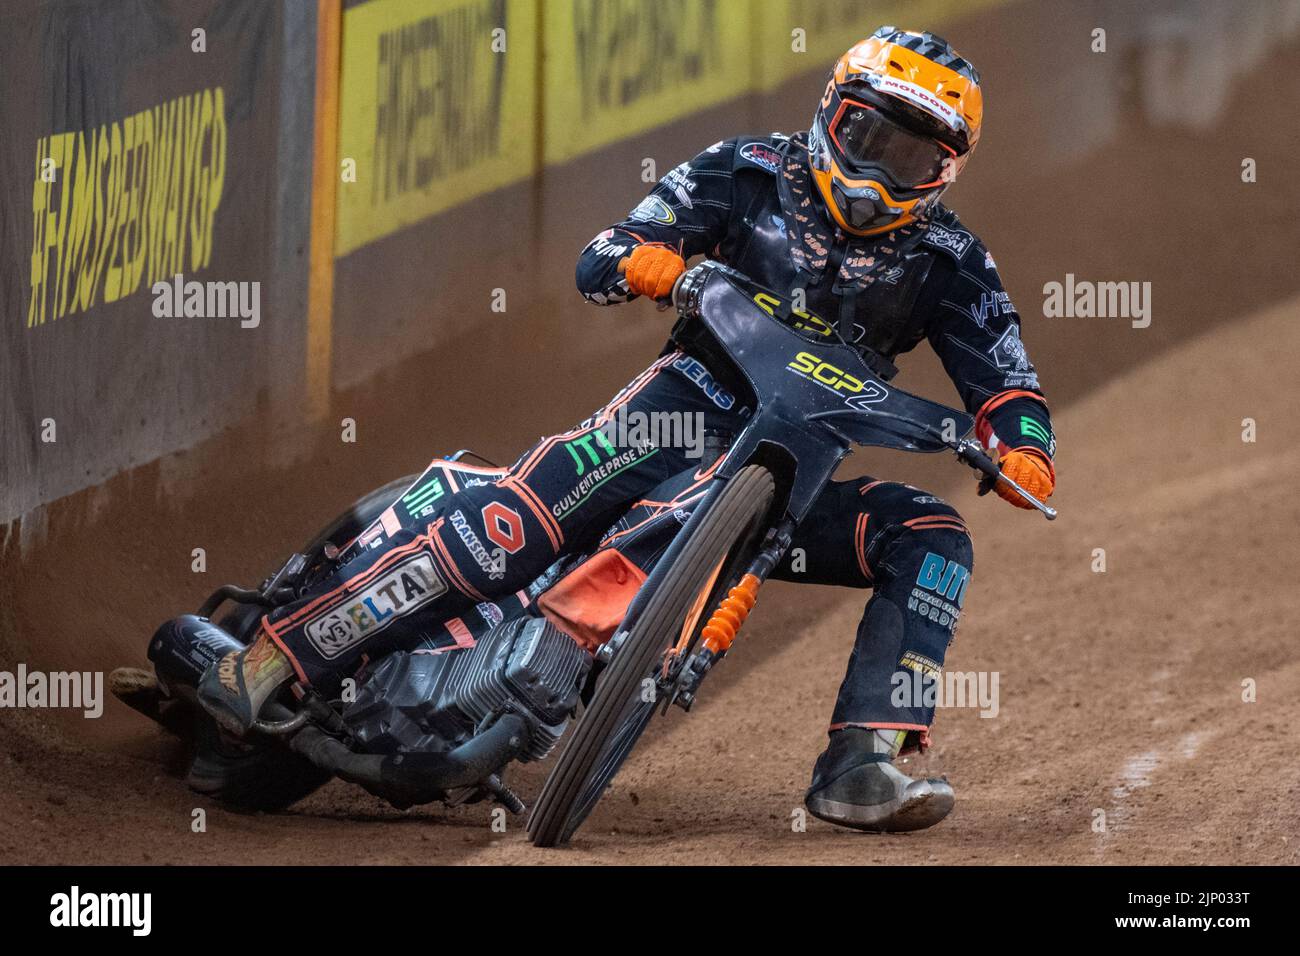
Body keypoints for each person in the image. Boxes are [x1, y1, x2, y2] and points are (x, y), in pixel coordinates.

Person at [199, 26, 1055, 833]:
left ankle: (863, 765)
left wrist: (1025, 448)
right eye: (866, 135)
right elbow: (604, 253)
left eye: (910, 154)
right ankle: (276, 658)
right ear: (831, 112)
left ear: (945, 171)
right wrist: (649, 260)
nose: (878, 169)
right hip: (678, 410)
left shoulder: (954, 263)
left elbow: (1008, 380)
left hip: (795, 475)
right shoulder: (748, 169)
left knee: (933, 533)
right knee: (516, 522)